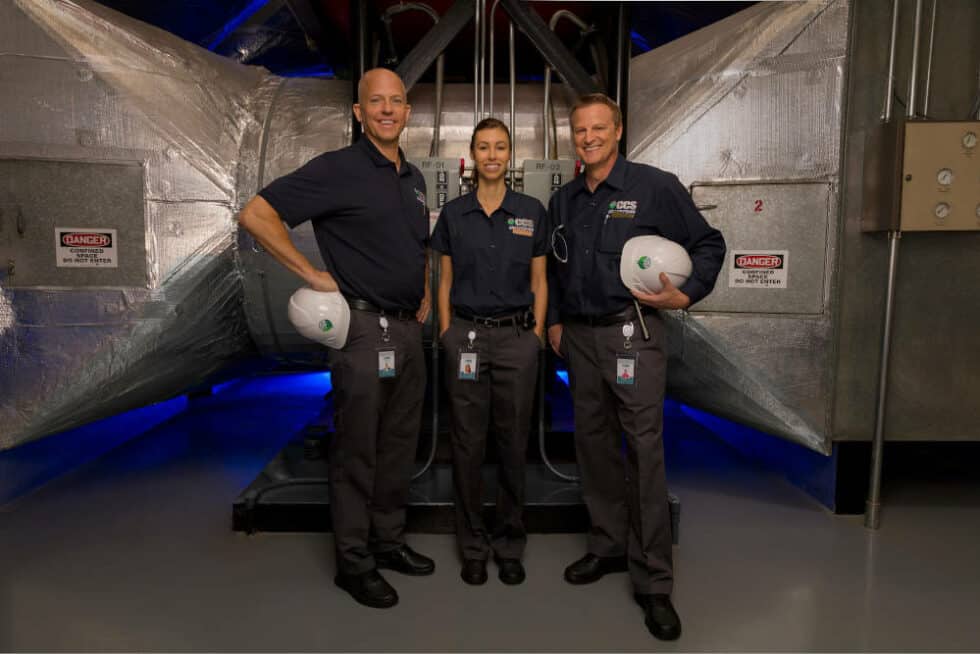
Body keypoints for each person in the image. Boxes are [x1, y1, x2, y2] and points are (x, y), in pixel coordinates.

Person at [237, 68, 435, 610]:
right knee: (357, 450)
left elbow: (417, 245)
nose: (387, 109)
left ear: (407, 111)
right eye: (377, 101)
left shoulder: (414, 178)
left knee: (399, 446)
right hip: (364, 332)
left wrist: (421, 290)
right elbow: (257, 214)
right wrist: (310, 272)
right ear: (359, 112)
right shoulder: (338, 169)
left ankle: (388, 541)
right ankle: (354, 562)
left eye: (396, 101)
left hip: (408, 331)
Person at [546, 93, 725, 640]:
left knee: (644, 452)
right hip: (579, 339)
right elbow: (553, 267)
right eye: (580, 130)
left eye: (598, 128)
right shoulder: (565, 199)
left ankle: (654, 582)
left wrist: (686, 294)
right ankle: (607, 545)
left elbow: (708, 243)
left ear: (618, 130)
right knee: (593, 445)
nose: (588, 138)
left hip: (634, 334)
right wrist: (555, 320)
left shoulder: (654, 186)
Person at [430, 117, 548, 586]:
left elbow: (540, 280)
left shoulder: (531, 211)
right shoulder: (453, 214)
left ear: (510, 154)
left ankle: (510, 544)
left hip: (517, 340)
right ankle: (473, 546)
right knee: (467, 444)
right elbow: (444, 279)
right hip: (466, 339)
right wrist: (446, 332)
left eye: (500, 147)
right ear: (473, 155)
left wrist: (536, 336)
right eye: (484, 147)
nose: (492, 155)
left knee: (513, 444)